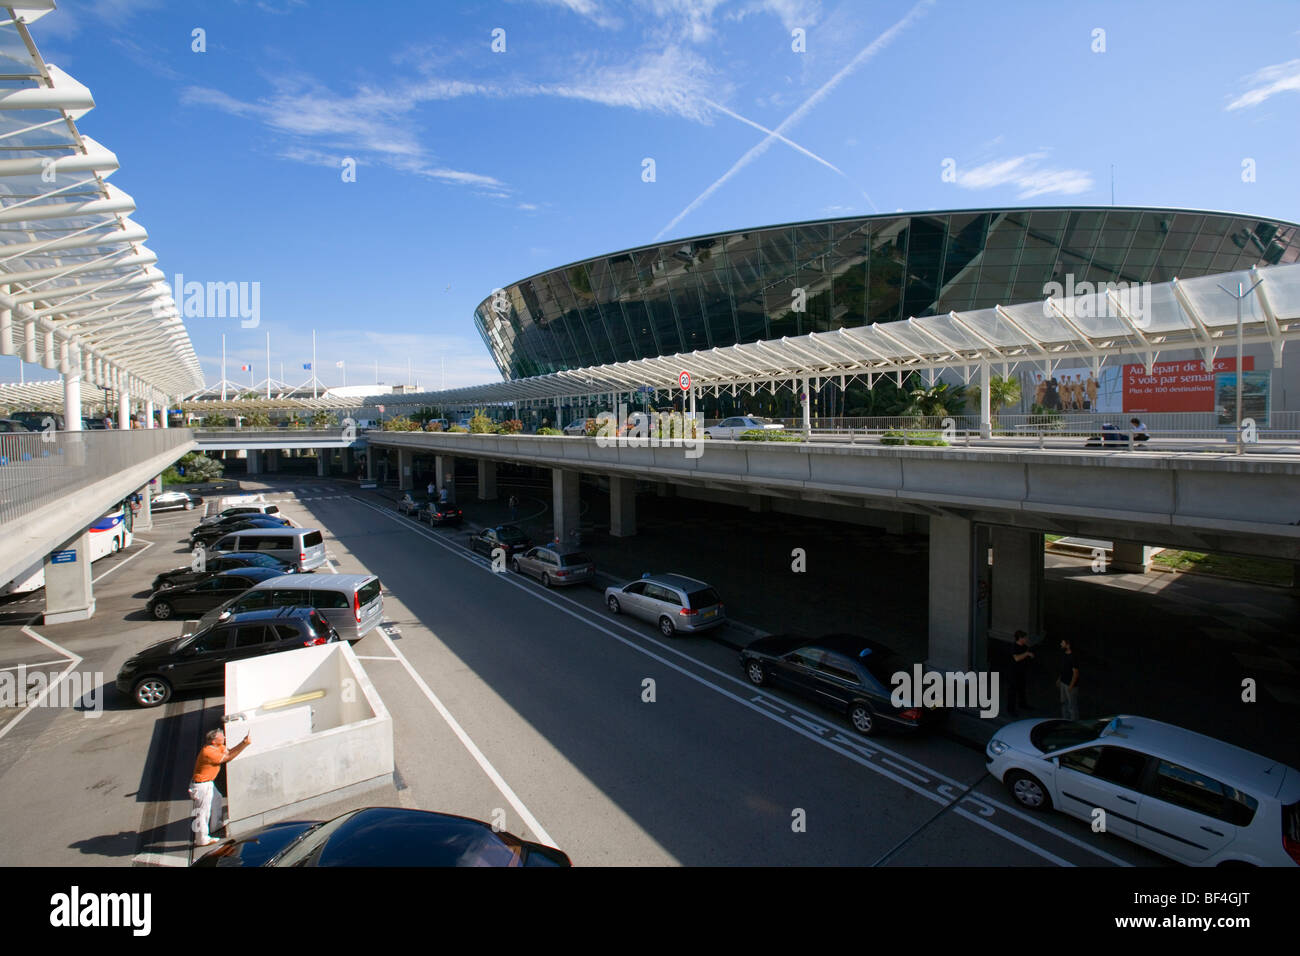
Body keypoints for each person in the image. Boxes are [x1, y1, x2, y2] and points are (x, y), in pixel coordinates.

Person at [190, 728, 251, 846]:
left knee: (217, 799)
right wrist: (244, 744)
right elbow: (228, 758)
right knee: (203, 812)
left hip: (207, 783)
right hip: (201, 786)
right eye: (221, 737)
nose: (224, 738)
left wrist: (243, 743)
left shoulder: (218, 747)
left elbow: (228, 752)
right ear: (213, 741)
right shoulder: (208, 752)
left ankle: (215, 824)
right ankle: (201, 839)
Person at [1007, 630, 1034, 717]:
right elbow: (1016, 658)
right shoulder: (1014, 647)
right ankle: (1011, 709)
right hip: (1013, 673)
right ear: (1020, 638)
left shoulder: (1025, 647)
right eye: (1025, 638)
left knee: (1022, 690)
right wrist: (1027, 654)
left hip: (1022, 672)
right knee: (1013, 691)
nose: (1026, 639)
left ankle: (1023, 704)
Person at [1057, 639, 1079, 721]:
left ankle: (1074, 723)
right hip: (1063, 683)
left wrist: (1071, 686)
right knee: (1063, 703)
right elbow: (1063, 668)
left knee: (1072, 706)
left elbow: (1076, 673)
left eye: (1062, 643)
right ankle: (1065, 720)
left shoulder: (1073, 657)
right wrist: (1059, 679)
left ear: (1068, 645)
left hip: (1070, 685)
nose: (1061, 644)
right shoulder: (1063, 654)